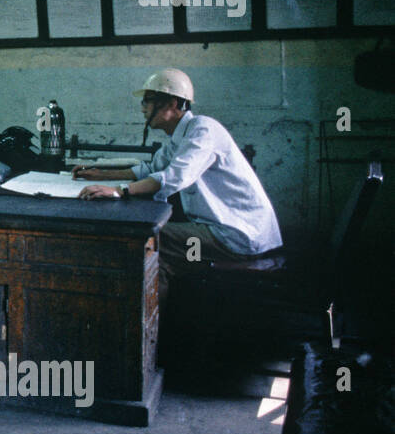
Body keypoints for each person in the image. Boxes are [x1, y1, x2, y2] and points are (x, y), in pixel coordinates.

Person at [73, 68, 283, 304]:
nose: (142, 108)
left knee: (148, 241)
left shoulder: (203, 130)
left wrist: (120, 191)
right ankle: (163, 318)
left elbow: (174, 176)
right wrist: (101, 174)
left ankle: (151, 334)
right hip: (221, 230)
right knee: (156, 243)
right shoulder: (180, 136)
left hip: (236, 237)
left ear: (171, 103)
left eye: (148, 101)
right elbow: (153, 168)